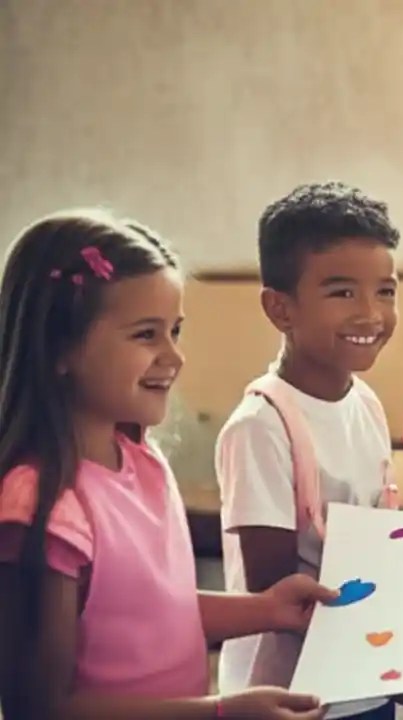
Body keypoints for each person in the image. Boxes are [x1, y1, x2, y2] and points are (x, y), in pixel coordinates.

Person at [0, 210, 334, 720]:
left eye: (174, 331)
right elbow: (42, 708)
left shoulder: (142, 459)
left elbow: (154, 610)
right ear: (59, 347)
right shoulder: (42, 506)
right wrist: (220, 712)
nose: (173, 357)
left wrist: (267, 609)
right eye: (145, 335)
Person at [217, 183, 403, 719]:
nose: (371, 314)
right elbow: (277, 595)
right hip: (292, 696)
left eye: (385, 291)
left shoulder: (363, 402)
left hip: (365, 681)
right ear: (280, 308)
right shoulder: (260, 426)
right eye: (342, 293)